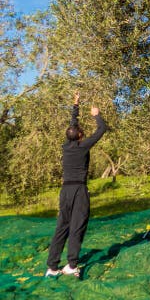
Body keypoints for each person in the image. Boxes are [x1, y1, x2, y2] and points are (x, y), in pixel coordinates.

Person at [45, 91, 108, 277]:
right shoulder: (83, 146)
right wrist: (97, 115)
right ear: (80, 135)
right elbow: (101, 130)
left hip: (65, 190)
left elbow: (73, 126)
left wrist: (76, 104)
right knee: (77, 226)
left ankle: (52, 267)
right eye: (81, 131)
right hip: (79, 190)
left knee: (61, 226)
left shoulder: (67, 146)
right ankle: (71, 266)